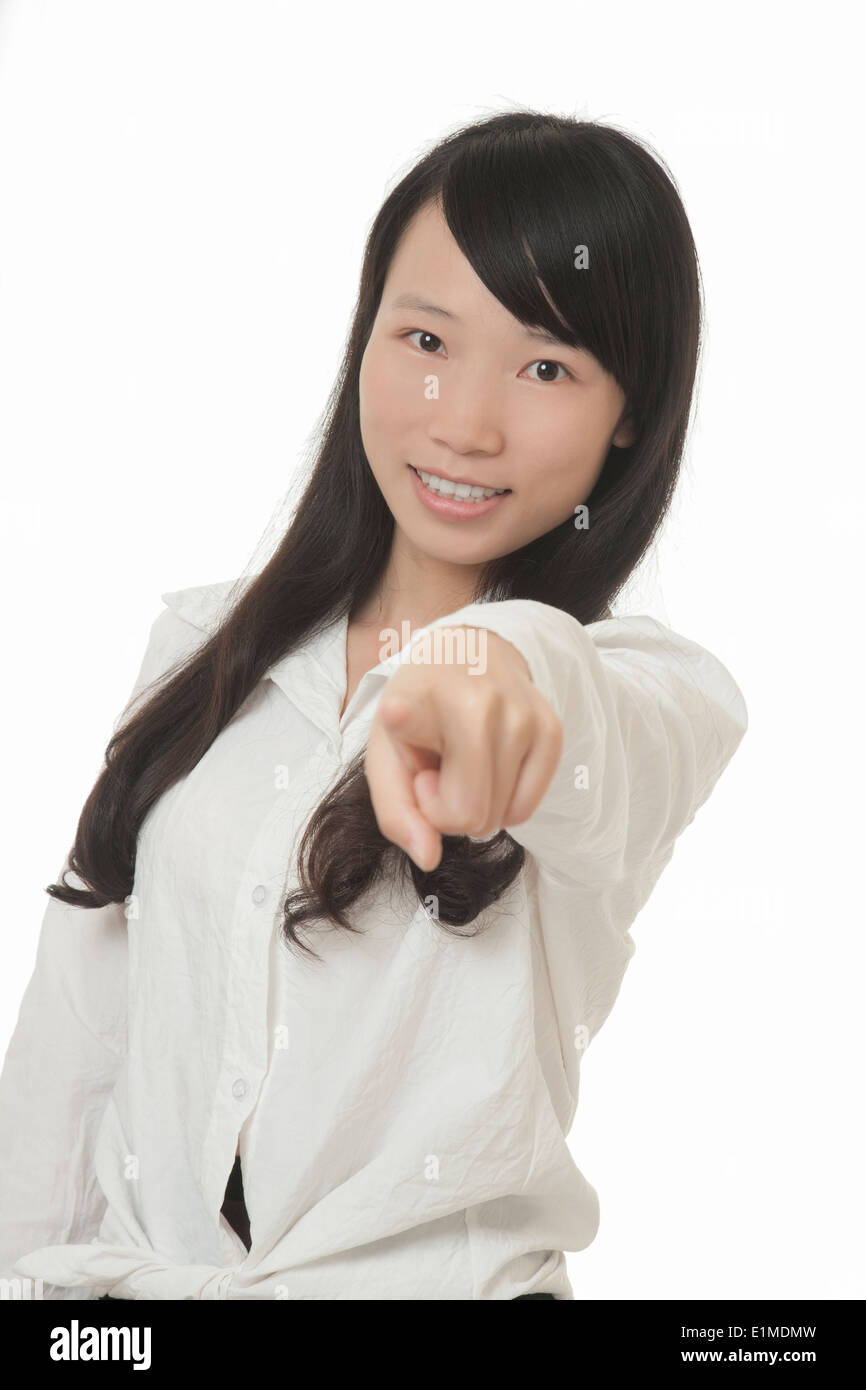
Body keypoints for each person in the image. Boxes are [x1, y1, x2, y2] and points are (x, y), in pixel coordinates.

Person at [0, 108, 747, 1301]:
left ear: (627, 417)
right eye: (425, 339)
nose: (462, 418)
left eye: (546, 364)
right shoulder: (201, 650)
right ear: (365, 342)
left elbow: (573, 708)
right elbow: (75, 1051)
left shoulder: (645, 692)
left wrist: (485, 664)